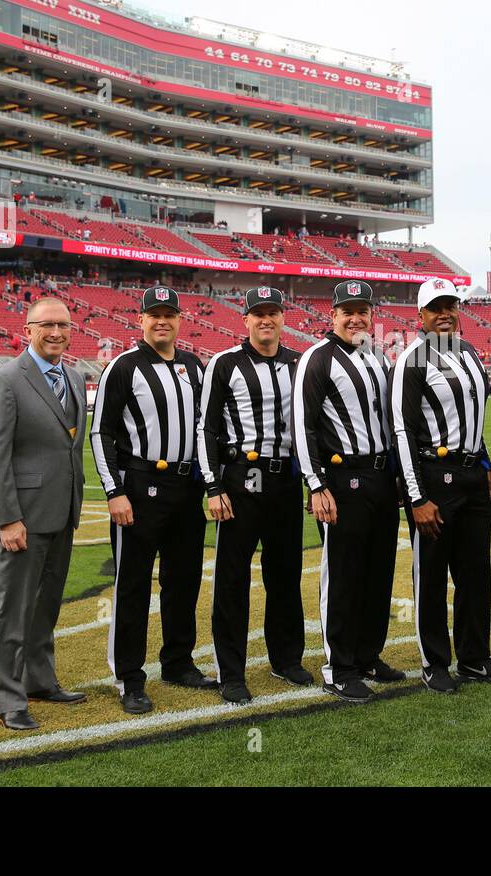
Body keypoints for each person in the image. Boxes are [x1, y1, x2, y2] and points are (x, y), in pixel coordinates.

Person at [91, 285, 217, 716]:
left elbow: (204, 428)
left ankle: (178, 662)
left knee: (183, 581)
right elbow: (101, 432)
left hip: (186, 489)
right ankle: (128, 675)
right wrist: (115, 491)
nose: (162, 321)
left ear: (180, 320)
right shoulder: (123, 367)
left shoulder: (193, 366)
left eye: (169, 314)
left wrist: (208, 483)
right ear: (140, 320)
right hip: (141, 487)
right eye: (154, 315)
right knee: (132, 586)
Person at [390, 277, 491, 692]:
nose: (445, 312)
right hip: (434, 477)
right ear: (420, 315)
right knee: (431, 574)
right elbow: (402, 432)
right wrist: (417, 497)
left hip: (470, 476)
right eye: (436, 306)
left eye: (451, 305)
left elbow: (473, 424)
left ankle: (475, 658)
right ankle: (434, 662)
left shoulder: (470, 353)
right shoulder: (411, 359)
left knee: (475, 572)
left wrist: (487, 472)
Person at [0, 297, 88, 731]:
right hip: (20, 518)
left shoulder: (75, 378)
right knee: (14, 610)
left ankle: (40, 679)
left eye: (63, 324)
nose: (56, 332)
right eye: (46, 325)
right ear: (27, 330)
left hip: (61, 513)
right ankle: (9, 696)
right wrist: (6, 518)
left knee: (46, 606)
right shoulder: (5, 380)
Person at [292, 280, 403, 704]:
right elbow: (304, 427)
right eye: (348, 311)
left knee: (378, 571)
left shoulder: (377, 356)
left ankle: (367, 654)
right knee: (342, 575)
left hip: (379, 478)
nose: (356, 317)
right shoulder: (317, 359)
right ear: (332, 315)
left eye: (363, 310)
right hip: (343, 479)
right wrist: (316, 484)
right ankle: (338, 667)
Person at [199, 286, 310, 705]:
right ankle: (231, 671)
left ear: (283, 317)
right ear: (244, 319)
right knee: (232, 578)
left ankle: (286, 658)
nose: (266, 320)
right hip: (242, 480)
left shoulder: (298, 364)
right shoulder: (225, 364)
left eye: (273, 312)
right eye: (257, 313)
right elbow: (205, 428)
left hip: (284, 481)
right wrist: (213, 486)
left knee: (285, 573)